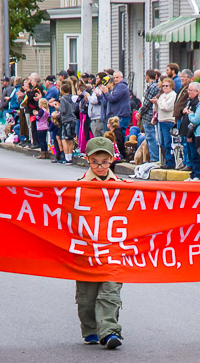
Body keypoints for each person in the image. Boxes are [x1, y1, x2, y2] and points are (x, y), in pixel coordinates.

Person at [74, 136, 126, 349]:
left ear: (112, 160)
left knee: (110, 290)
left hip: (113, 249)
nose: (100, 166)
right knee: (86, 297)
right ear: (88, 160)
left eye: (105, 162)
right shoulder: (76, 188)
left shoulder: (124, 188)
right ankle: (91, 329)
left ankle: (110, 331)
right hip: (86, 249)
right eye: (95, 162)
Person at [153, 77, 177, 169]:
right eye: (163, 86)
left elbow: (167, 107)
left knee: (168, 143)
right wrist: (156, 103)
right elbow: (158, 107)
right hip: (161, 120)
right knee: (162, 142)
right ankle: (166, 161)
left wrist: (158, 102)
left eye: (167, 86)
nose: (165, 87)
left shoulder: (172, 95)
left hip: (168, 121)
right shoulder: (162, 95)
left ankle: (171, 162)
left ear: (171, 86)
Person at [54, 80, 79, 164]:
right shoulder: (72, 97)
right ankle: (70, 157)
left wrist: (58, 108)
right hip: (72, 119)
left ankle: (67, 157)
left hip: (66, 120)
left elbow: (63, 110)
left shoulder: (63, 98)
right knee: (71, 139)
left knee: (64, 138)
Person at [139, 70, 160, 164]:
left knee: (150, 137)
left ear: (147, 76)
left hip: (149, 115)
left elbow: (147, 102)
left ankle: (154, 158)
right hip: (153, 114)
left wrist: (140, 112)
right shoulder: (156, 86)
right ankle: (152, 157)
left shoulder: (152, 86)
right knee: (150, 137)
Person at [103, 71, 132, 135]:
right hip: (117, 115)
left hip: (121, 115)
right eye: (114, 78)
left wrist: (106, 92)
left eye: (117, 77)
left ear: (122, 77)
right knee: (114, 134)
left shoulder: (121, 86)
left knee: (119, 134)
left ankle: (120, 145)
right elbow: (107, 99)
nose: (115, 79)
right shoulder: (116, 86)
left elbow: (112, 98)